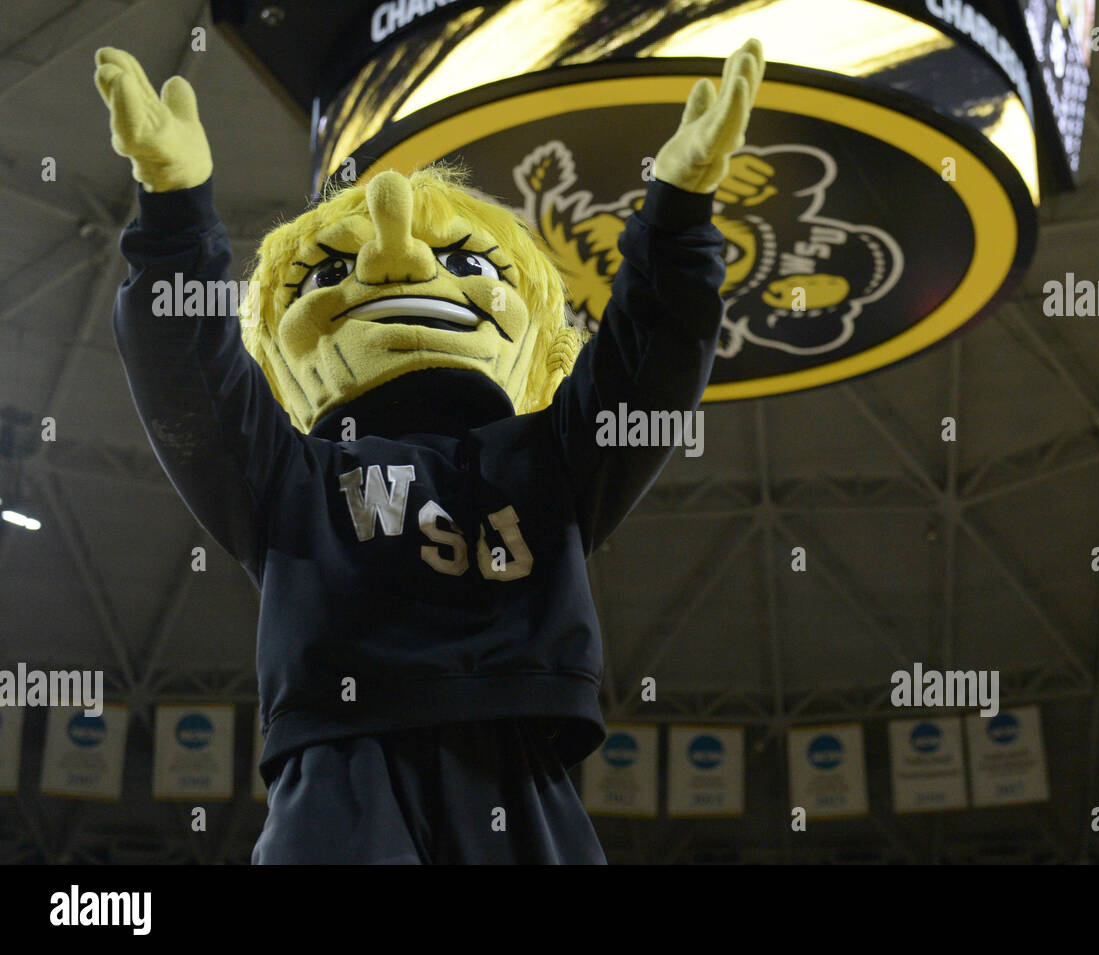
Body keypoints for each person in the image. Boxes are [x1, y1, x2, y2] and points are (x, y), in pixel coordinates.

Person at [94, 38, 765, 863]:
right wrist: (172, 216)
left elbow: (647, 369)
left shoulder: (550, 455)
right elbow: (186, 378)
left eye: (461, 261)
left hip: (517, 771)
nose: (396, 259)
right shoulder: (290, 471)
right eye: (333, 270)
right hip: (345, 766)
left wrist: (679, 212)